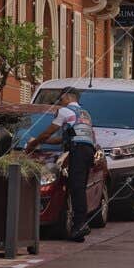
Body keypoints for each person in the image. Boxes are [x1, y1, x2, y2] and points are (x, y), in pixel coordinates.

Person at [30, 87, 97, 242]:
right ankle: (78, 228)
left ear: (68, 97)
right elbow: (63, 139)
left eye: (60, 98)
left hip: (78, 151)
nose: (59, 101)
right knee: (79, 188)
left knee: (77, 188)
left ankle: (80, 225)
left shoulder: (65, 111)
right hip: (88, 151)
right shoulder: (85, 114)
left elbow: (48, 131)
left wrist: (33, 143)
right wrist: (44, 142)